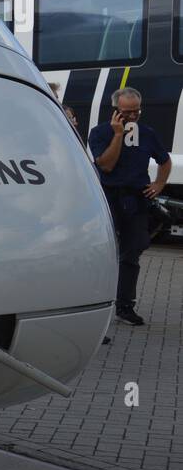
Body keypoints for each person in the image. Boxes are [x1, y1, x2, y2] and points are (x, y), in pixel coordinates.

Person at [88, 87, 172, 325]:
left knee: (132, 252)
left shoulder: (147, 133)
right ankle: (96, 307)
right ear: (115, 111)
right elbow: (106, 166)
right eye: (127, 112)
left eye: (136, 112)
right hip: (110, 197)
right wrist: (117, 135)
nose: (133, 117)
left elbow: (164, 161)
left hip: (136, 199)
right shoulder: (100, 133)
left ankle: (125, 305)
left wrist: (159, 183)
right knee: (104, 255)